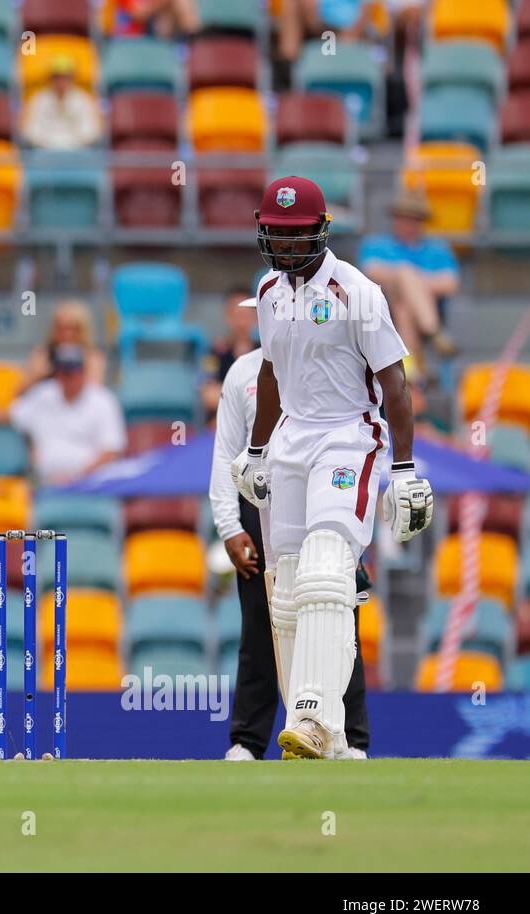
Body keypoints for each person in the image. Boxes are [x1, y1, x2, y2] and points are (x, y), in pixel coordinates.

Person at [234, 175, 433, 760]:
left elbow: (395, 384)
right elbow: (270, 375)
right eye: (278, 234)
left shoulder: (359, 291)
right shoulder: (269, 291)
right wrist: (256, 450)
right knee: (289, 588)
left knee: (327, 570)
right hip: (292, 439)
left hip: (350, 438)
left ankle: (316, 716)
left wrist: (402, 469)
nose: (288, 247)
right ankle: (333, 738)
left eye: (298, 236)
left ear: (322, 233)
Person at [211, 333, 370, 761]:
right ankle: (248, 740)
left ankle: (348, 736)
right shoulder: (243, 372)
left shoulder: (332, 359)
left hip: (325, 495)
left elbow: (357, 438)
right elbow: (227, 453)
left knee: (335, 611)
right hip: (262, 502)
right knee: (262, 623)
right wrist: (229, 525)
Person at [359, 189, 459, 370]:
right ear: (395, 219)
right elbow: (371, 271)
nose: (408, 224)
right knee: (405, 273)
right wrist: (406, 277)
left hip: (414, 310)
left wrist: (412, 284)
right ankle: (433, 331)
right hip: (383, 311)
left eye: (414, 219)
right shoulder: (376, 244)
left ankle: (412, 374)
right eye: (404, 218)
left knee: (405, 307)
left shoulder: (438, 248)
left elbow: (450, 283)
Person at [9, 344, 126, 485]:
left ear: (83, 372)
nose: (67, 377)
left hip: (91, 482)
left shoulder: (103, 400)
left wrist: (78, 477)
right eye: (63, 371)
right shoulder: (43, 394)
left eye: (72, 371)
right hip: (46, 482)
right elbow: (12, 413)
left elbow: (111, 451)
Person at [199, 286, 259, 422]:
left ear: (256, 317)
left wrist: (227, 395)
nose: (242, 323)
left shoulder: (266, 352)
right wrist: (251, 396)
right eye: (237, 316)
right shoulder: (214, 353)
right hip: (221, 423)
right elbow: (209, 396)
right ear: (228, 317)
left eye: (247, 316)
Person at [20, 56, 103, 151]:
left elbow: (90, 132)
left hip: (77, 153)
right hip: (43, 154)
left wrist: (71, 146)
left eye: (66, 77)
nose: (61, 81)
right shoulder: (38, 99)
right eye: (57, 77)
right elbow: (31, 132)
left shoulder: (83, 100)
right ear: (51, 78)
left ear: (73, 78)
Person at [25, 300, 106, 388]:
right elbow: (22, 393)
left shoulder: (92, 357)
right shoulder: (42, 355)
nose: (67, 334)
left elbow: (95, 390)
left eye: (73, 328)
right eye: (61, 328)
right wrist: (38, 375)